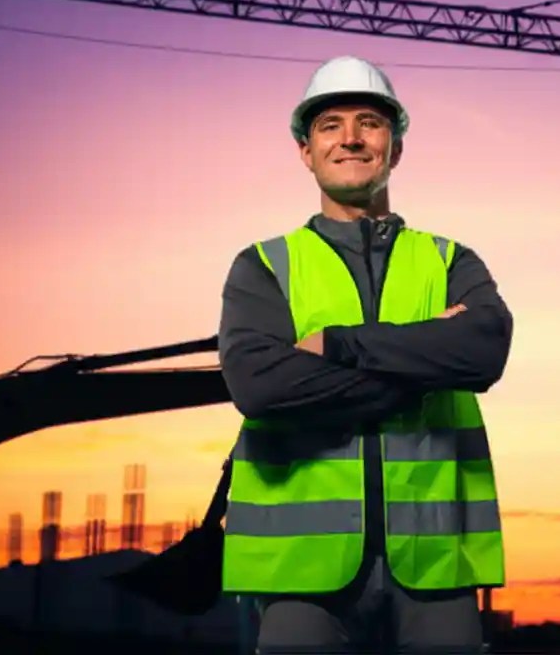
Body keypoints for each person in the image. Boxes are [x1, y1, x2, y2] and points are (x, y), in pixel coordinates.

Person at [216, 55, 513, 654]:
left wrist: (340, 345)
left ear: (395, 148)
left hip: (436, 563)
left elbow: (484, 350)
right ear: (306, 150)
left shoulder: (450, 260)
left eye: (369, 123)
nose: (350, 138)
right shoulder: (265, 267)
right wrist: (425, 361)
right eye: (330, 125)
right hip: (301, 574)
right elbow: (261, 387)